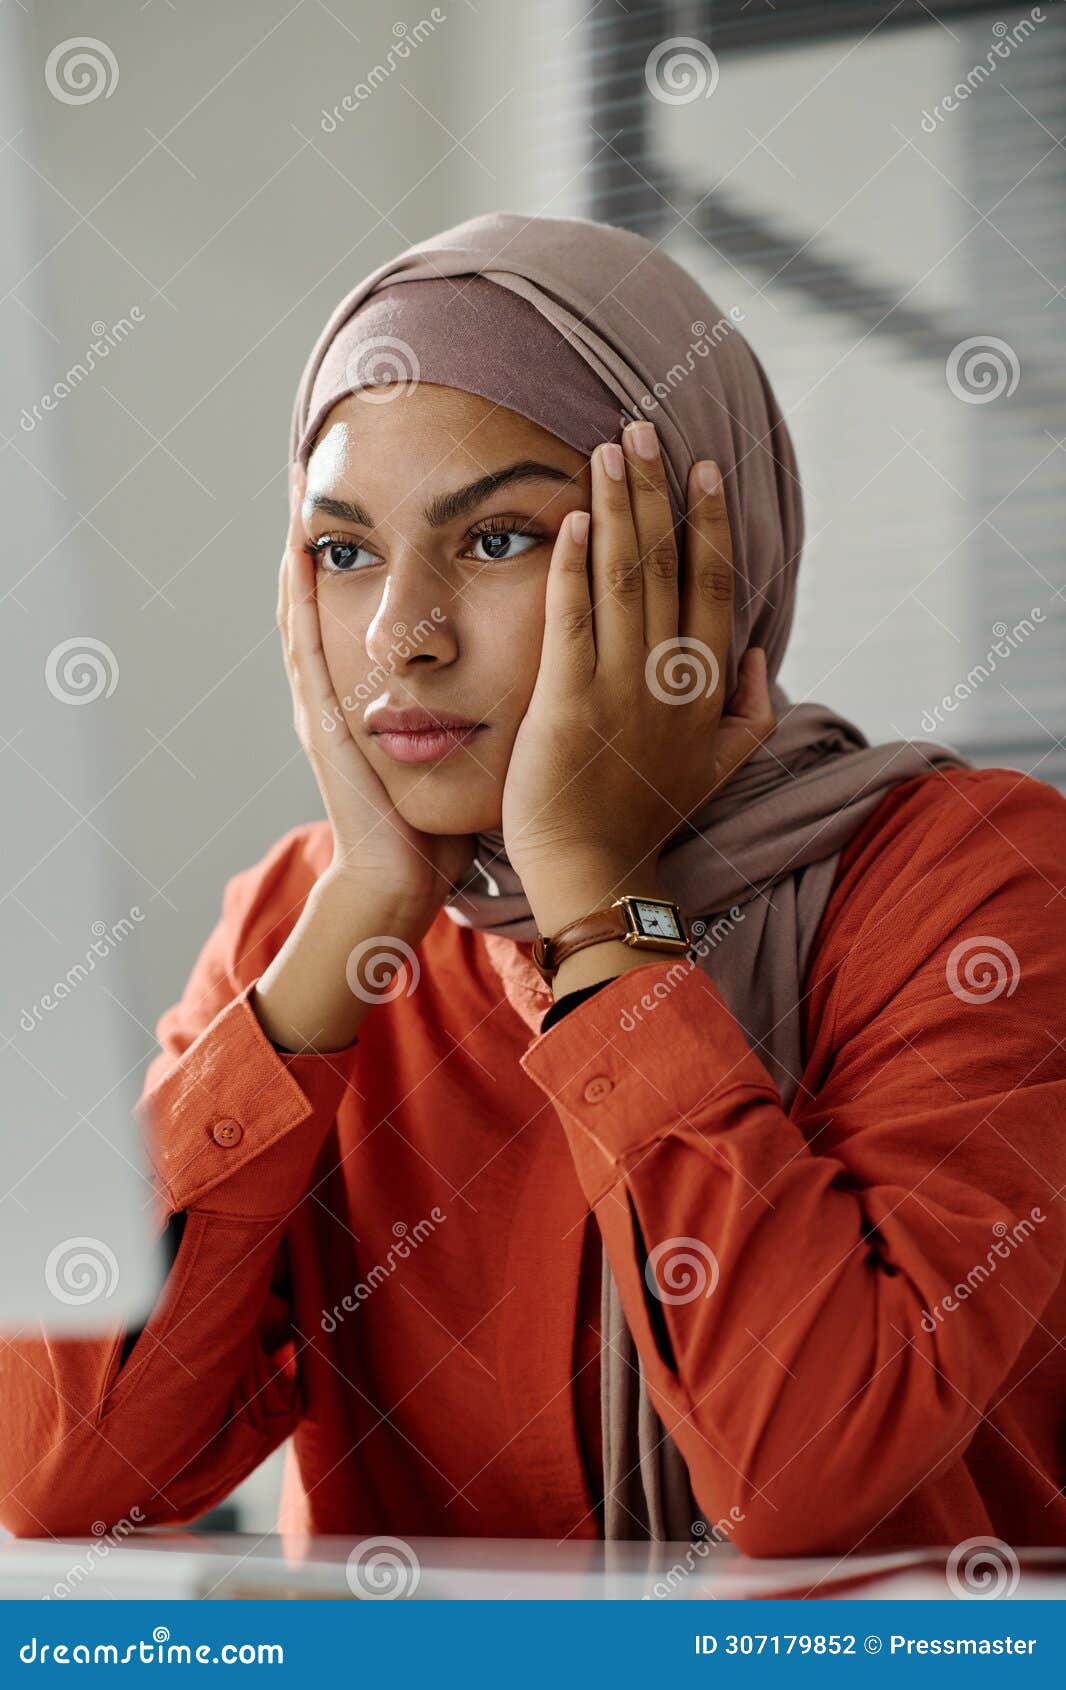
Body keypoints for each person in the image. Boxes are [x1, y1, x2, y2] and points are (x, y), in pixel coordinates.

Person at [2, 213, 1064, 1557]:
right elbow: (54, 1474)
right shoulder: (306, 921)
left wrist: (597, 900)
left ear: (697, 563)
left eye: (496, 538)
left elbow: (813, 1471)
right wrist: (357, 915)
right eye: (342, 551)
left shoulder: (975, 886)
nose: (402, 634)